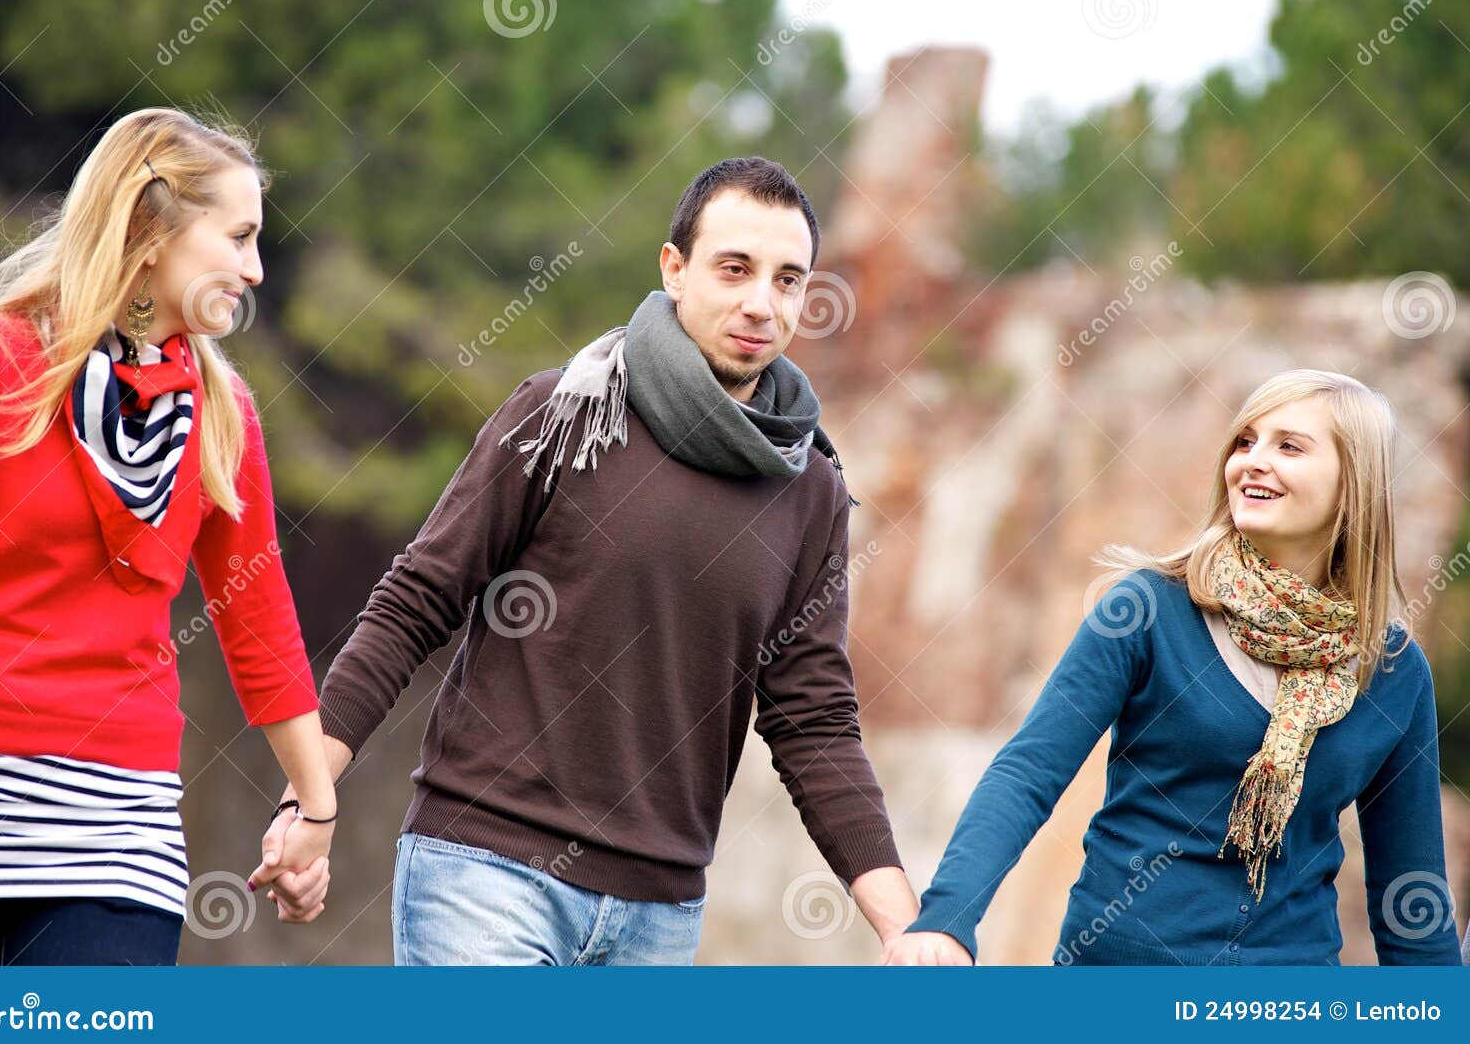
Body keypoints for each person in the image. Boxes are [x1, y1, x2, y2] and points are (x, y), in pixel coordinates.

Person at [263, 157, 917, 964]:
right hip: (487, 875)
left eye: (788, 280)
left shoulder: (811, 489)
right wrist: (310, 799)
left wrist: (903, 924)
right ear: (674, 270)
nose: (761, 303)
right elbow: (415, 602)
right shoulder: (565, 413)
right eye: (735, 269)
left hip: (660, 916)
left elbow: (811, 717)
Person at [0, 107, 335, 965]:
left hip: (117, 837)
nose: (256, 269)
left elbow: (260, 624)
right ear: (154, 231)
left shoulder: (223, 416)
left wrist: (315, 809)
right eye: (237, 238)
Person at [886, 369, 1462, 965]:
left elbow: (1409, 889)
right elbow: (1029, 772)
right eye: (1245, 441)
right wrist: (947, 920)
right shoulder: (1148, 612)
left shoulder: (1393, 670)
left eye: (1288, 446)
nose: (1252, 461)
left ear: (1355, 486)